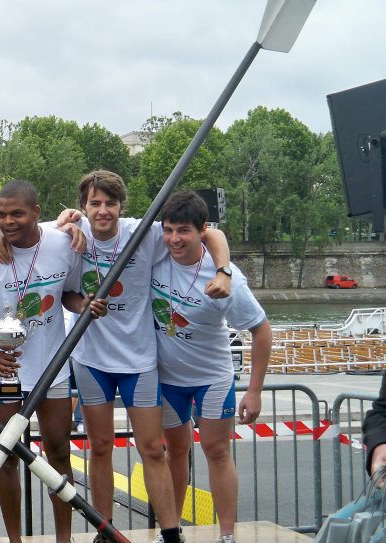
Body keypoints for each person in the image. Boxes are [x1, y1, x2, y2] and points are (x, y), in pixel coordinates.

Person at [53, 170, 232, 543]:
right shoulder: (70, 237)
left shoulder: (145, 232)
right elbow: (66, 293)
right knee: (100, 447)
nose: (103, 211)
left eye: (110, 204)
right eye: (95, 204)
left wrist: (224, 270)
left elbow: (209, 232)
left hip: (139, 361)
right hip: (91, 360)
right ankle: (105, 530)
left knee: (152, 448)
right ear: (84, 206)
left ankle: (170, 532)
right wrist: (82, 303)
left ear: (122, 206)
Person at [0, 180, 86, 543]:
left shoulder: (63, 244)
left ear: (37, 212)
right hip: (5, 374)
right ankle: (16, 540)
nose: (7, 222)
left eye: (16, 213)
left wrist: (86, 305)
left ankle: (65, 537)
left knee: (59, 451)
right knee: (7, 457)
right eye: (1, 215)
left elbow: (71, 295)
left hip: (52, 370)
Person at [150, 191, 270, 543]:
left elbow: (261, 331)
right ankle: (170, 531)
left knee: (216, 452)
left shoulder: (227, 280)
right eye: (169, 230)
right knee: (175, 453)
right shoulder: (158, 254)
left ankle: (227, 534)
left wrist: (255, 390)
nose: (174, 239)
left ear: (201, 231)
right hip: (168, 378)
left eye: (183, 231)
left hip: (211, 378)